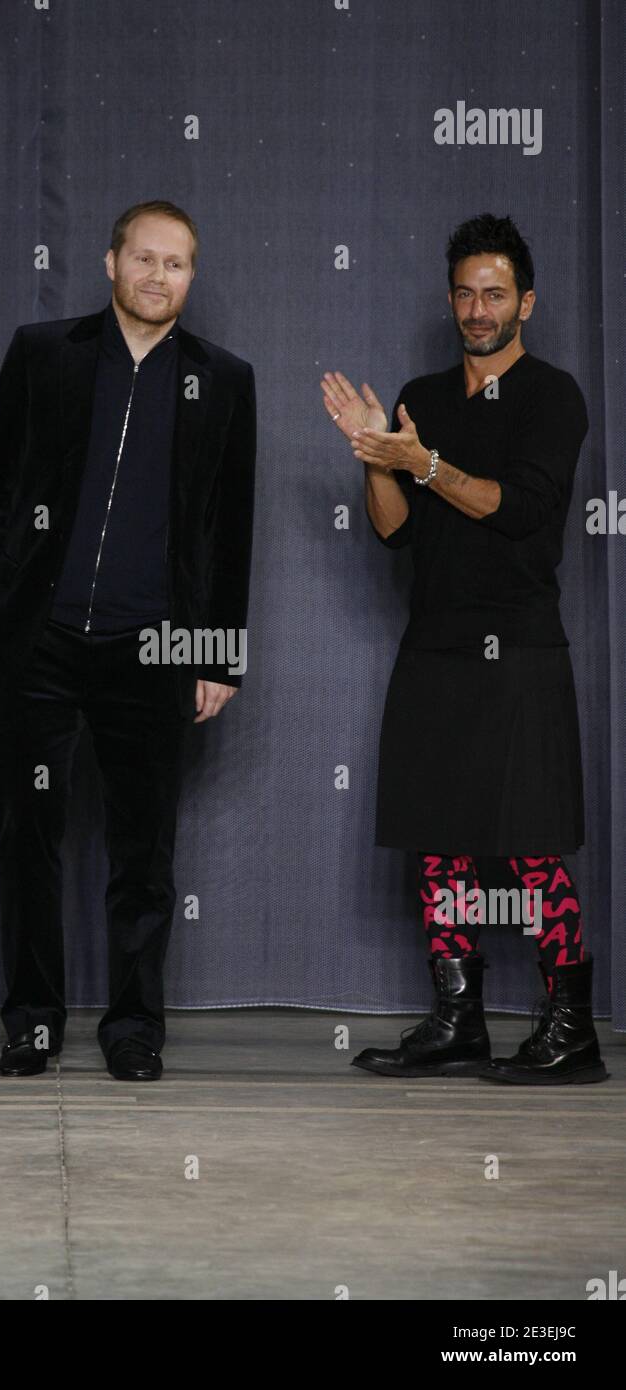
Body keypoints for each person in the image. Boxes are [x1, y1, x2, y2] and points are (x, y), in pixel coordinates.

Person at [0, 200, 256, 1081]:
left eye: (178, 263)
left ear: (193, 276)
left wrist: (218, 653)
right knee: (26, 834)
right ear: (110, 263)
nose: (160, 276)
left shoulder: (224, 380)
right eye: (145, 259)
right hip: (38, 641)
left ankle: (133, 1029)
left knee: (143, 850)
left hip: (153, 650)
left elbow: (230, 532)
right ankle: (33, 1022)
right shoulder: (45, 354)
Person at [320, 213, 608, 1085]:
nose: (477, 309)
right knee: (439, 842)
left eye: (494, 292)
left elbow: (516, 509)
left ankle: (571, 1028)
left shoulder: (554, 396)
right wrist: (377, 457)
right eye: (464, 293)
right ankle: (458, 1020)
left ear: (527, 299)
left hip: (517, 646)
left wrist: (423, 461)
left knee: (528, 843)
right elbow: (394, 536)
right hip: (433, 644)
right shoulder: (423, 395)